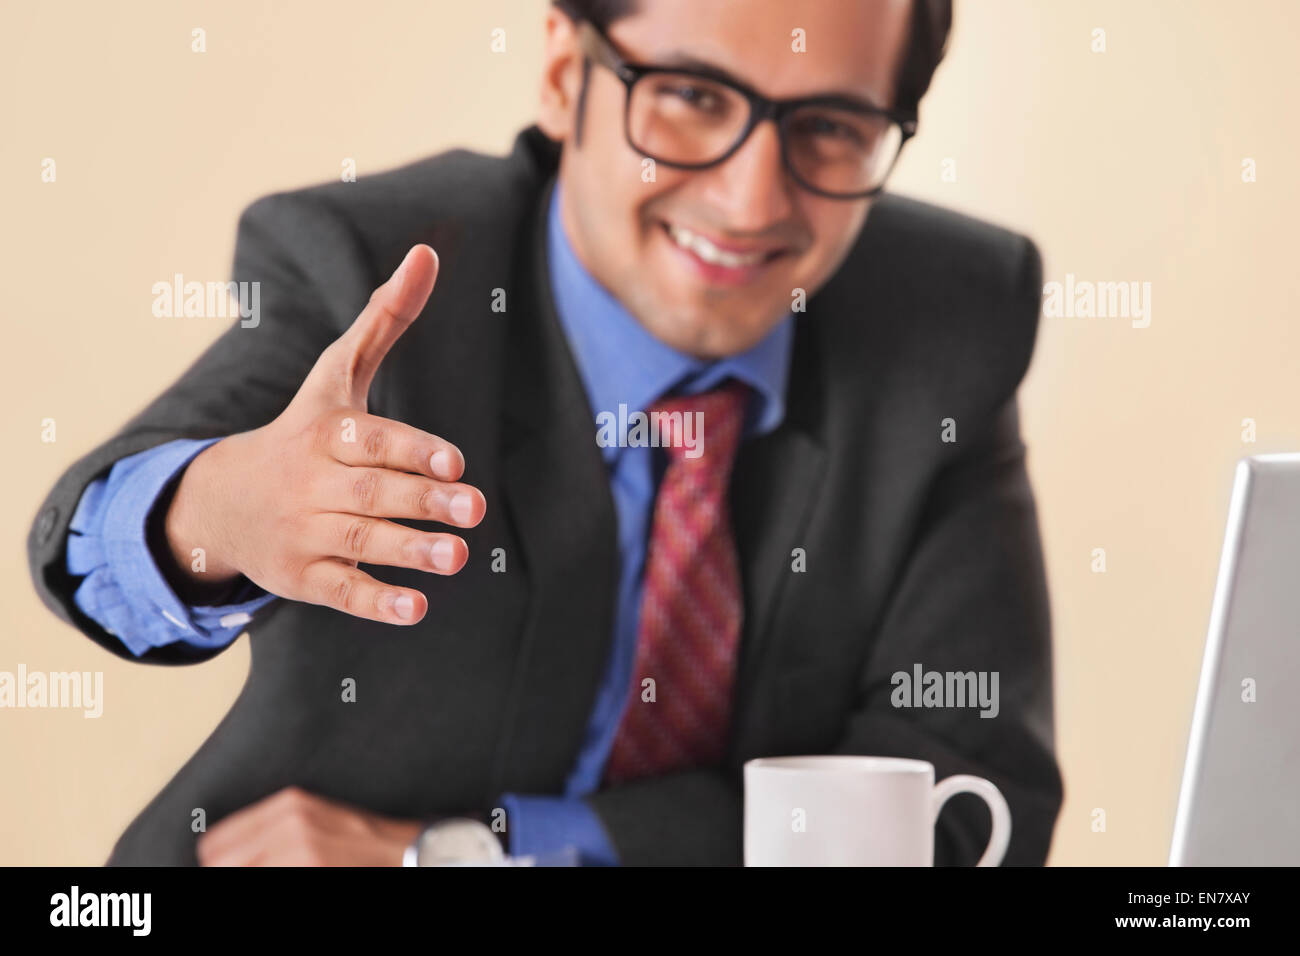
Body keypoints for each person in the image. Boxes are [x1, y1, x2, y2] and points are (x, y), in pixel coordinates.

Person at [27, 0, 1063, 866]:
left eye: (831, 123)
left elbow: (966, 789)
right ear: (567, 73)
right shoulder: (374, 268)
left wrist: (476, 857)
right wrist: (222, 511)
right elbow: (85, 542)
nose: (751, 199)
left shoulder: (950, 321)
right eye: (693, 98)